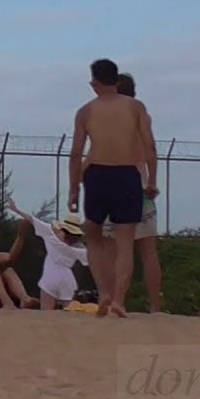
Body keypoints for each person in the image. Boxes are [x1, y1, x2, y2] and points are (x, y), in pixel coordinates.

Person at [68, 58, 157, 318]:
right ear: (117, 81)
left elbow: (75, 153)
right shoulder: (135, 107)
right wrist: (151, 180)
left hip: (97, 174)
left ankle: (104, 292)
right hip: (127, 174)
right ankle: (119, 299)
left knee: (94, 238)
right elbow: (150, 147)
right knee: (125, 242)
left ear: (93, 83)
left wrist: (74, 188)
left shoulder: (86, 111)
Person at [98, 72, 163, 313]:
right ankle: (155, 307)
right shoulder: (140, 116)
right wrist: (153, 180)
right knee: (148, 251)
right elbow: (150, 149)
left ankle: (114, 299)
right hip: (139, 184)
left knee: (113, 249)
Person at [6, 199, 88, 310]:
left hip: (50, 275)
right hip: (67, 278)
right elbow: (92, 259)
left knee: (45, 312)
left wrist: (17, 210)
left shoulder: (52, 235)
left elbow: (32, 219)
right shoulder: (78, 248)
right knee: (69, 311)